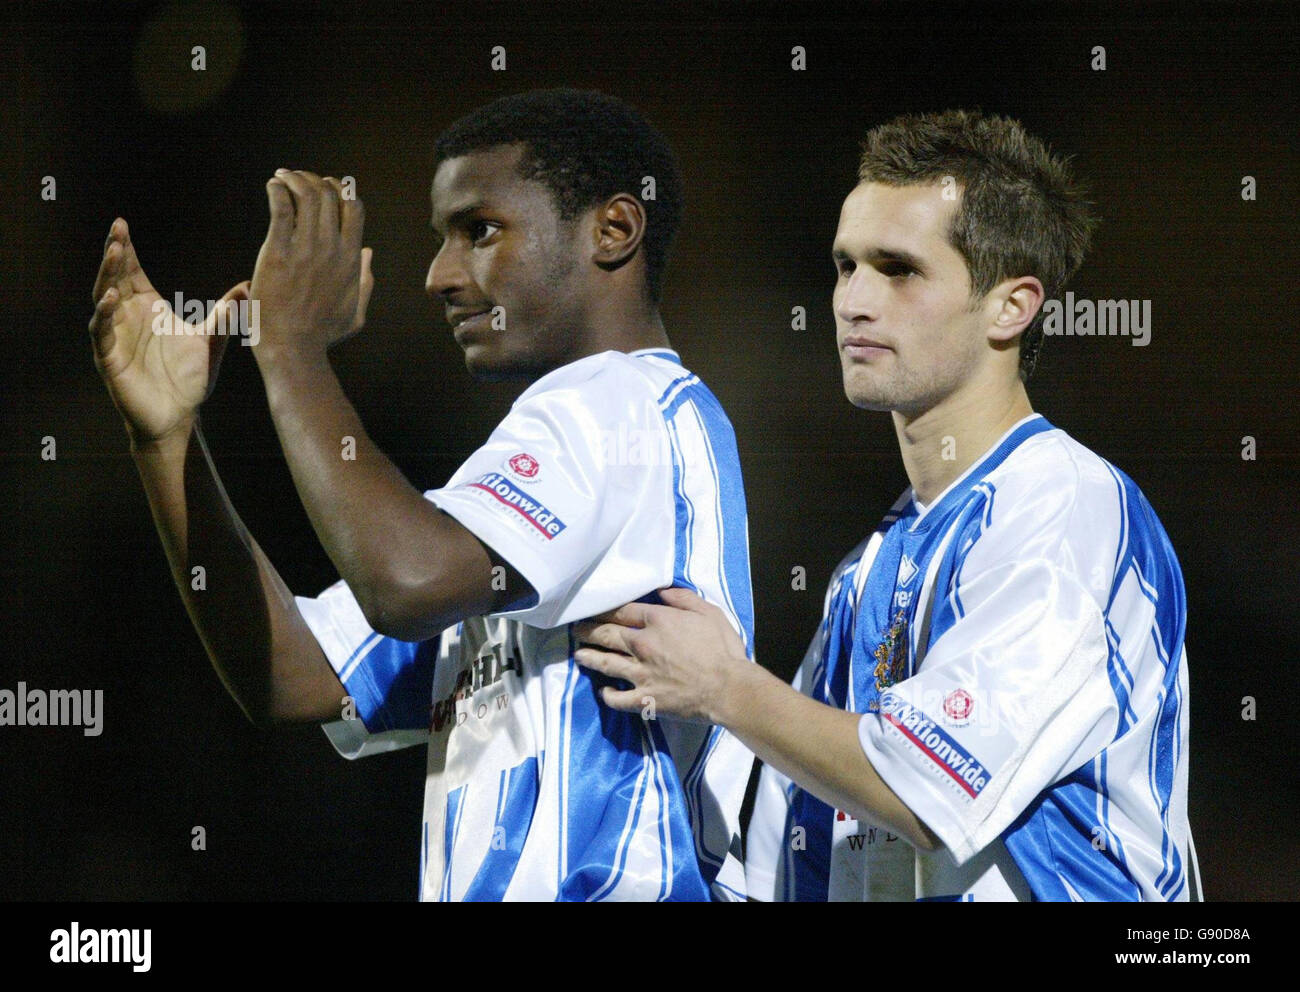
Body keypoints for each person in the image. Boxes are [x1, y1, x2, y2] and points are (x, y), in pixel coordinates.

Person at [87, 88, 754, 901]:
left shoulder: (624, 406)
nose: (438, 276)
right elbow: (294, 676)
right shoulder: (526, 487)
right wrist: (167, 439)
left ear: (613, 230)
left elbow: (405, 582)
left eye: (480, 230)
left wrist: (292, 349)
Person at [575, 109, 1200, 901]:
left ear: (1012, 306)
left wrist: (725, 685)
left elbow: (926, 792)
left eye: (899, 270)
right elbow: (785, 868)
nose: (853, 301)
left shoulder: (1064, 506)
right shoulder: (864, 572)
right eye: (845, 266)